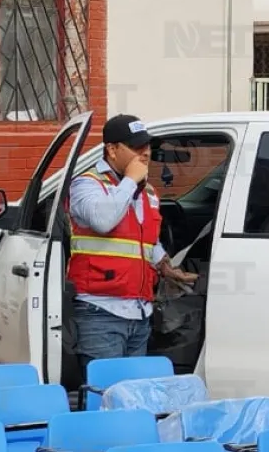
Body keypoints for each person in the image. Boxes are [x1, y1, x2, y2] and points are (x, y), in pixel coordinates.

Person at [66, 114, 197, 370]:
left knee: (132, 389)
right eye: (137, 147)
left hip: (139, 311)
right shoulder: (87, 184)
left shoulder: (147, 191)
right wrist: (130, 180)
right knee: (106, 389)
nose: (145, 153)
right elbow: (103, 221)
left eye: (148, 146)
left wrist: (165, 266)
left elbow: (146, 239)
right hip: (100, 311)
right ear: (112, 150)